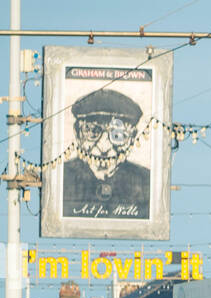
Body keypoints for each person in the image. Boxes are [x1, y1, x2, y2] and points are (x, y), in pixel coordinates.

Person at [62, 87, 151, 221]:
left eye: (117, 135)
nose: (104, 147)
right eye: (92, 131)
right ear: (77, 133)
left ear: (132, 137)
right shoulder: (62, 176)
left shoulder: (146, 180)